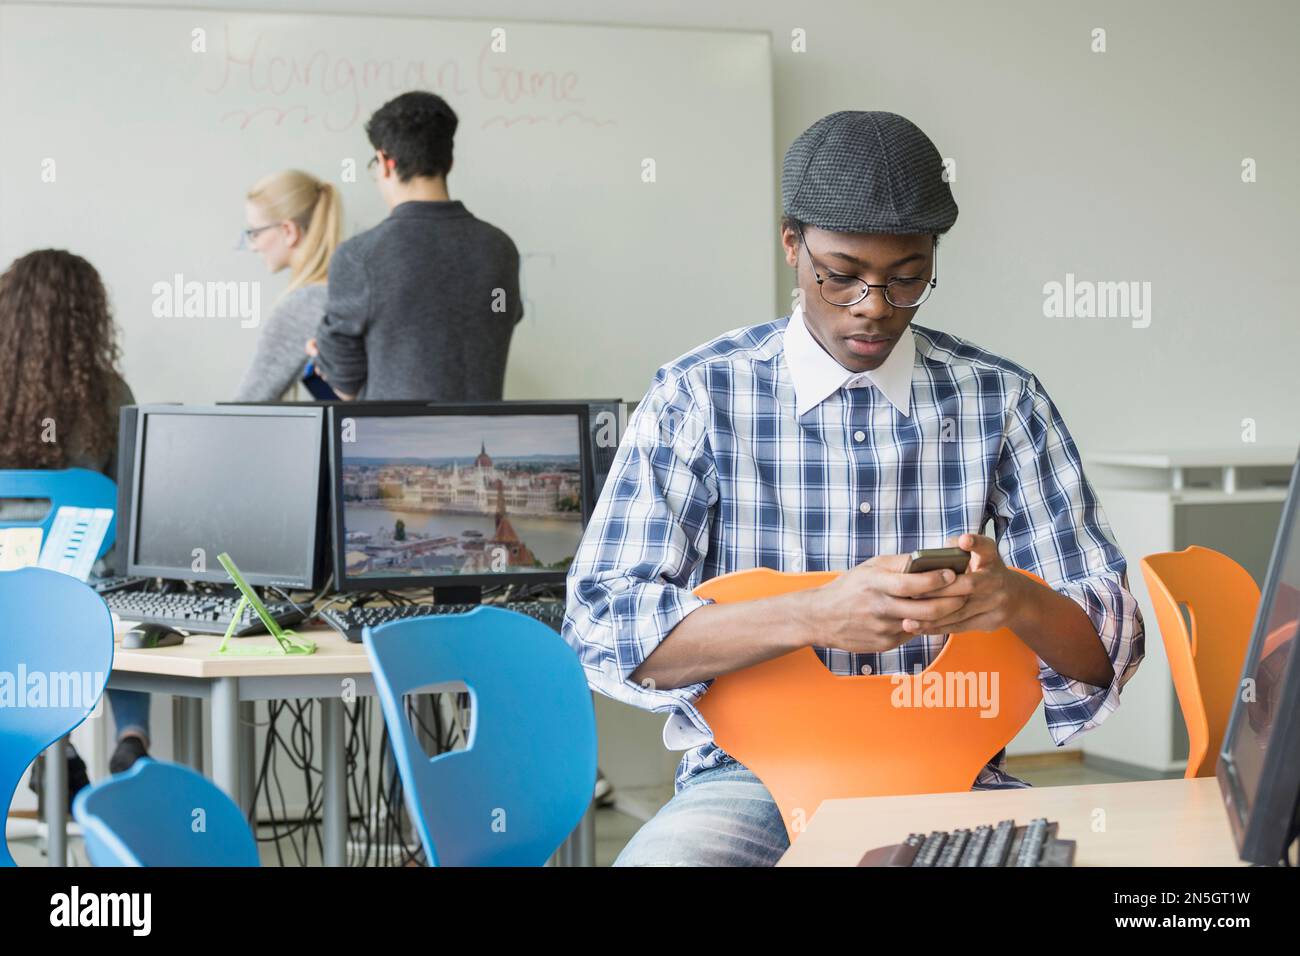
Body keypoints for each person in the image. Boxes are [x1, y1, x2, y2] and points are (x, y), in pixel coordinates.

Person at [563, 111, 1146, 866]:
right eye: (841, 276)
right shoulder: (698, 398)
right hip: (751, 780)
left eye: (907, 279)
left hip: (954, 776)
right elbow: (604, 624)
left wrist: (1017, 600)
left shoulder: (1001, 401)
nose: (874, 306)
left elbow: (1108, 650)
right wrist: (815, 614)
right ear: (790, 247)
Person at [0, 250, 149, 777]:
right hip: (89, 585)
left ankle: (50, 747)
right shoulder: (111, 394)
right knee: (133, 598)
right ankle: (132, 735)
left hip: (7, 589)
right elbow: (132, 513)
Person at [311, 91, 523, 401]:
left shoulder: (359, 256)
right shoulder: (501, 249)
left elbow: (345, 387)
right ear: (449, 162)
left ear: (385, 162)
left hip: (394, 446)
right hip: (486, 439)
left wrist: (323, 356)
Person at [234, 169, 342, 401]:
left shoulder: (306, 304)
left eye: (255, 233)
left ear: (288, 231)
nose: (253, 246)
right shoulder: (344, 293)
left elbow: (247, 406)